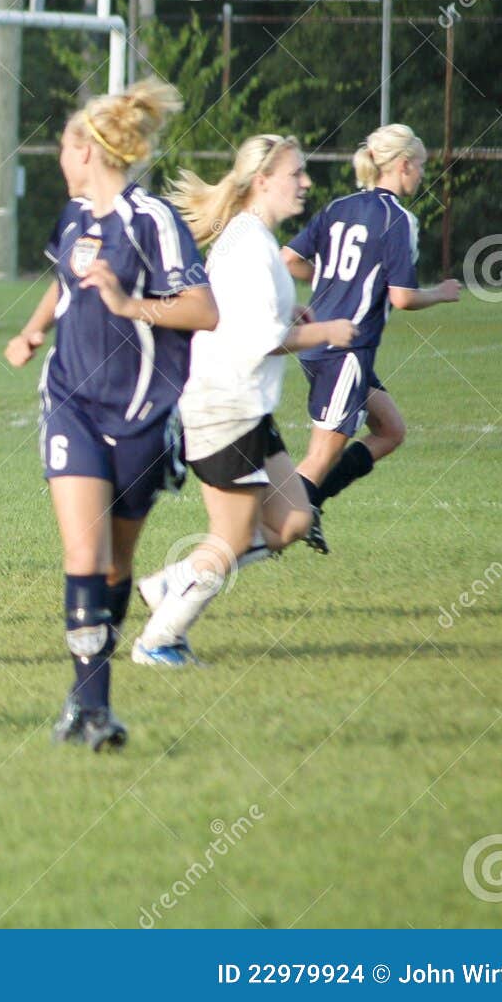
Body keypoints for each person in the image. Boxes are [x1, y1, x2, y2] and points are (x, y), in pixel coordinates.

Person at [5, 79, 217, 751]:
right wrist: (33, 330)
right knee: (83, 553)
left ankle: (83, 696)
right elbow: (64, 285)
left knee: (118, 565)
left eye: (65, 145)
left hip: (144, 413)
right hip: (71, 399)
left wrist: (132, 307)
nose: (60, 157)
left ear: (88, 151)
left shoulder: (151, 220)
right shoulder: (73, 219)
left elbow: (203, 311)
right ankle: (94, 710)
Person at [132, 135, 356, 664]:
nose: (305, 182)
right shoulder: (253, 246)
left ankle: (173, 583)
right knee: (229, 540)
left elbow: (252, 315)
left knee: (293, 521)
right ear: (263, 181)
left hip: (247, 406)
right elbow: (260, 339)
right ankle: (157, 641)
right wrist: (326, 330)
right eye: (295, 173)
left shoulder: (249, 235)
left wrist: (294, 311)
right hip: (222, 409)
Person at [281, 124, 461, 552]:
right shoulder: (397, 219)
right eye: (419, 167)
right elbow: (400, 297)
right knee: (321, 455)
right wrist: (440, 293)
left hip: (318, 340)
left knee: (390, 430)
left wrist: (325, 278)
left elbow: (287, 258)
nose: (420, 176)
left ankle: (310, 506)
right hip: (345, 350)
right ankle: (266, 531)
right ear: (403, 165)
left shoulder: (339, 206)